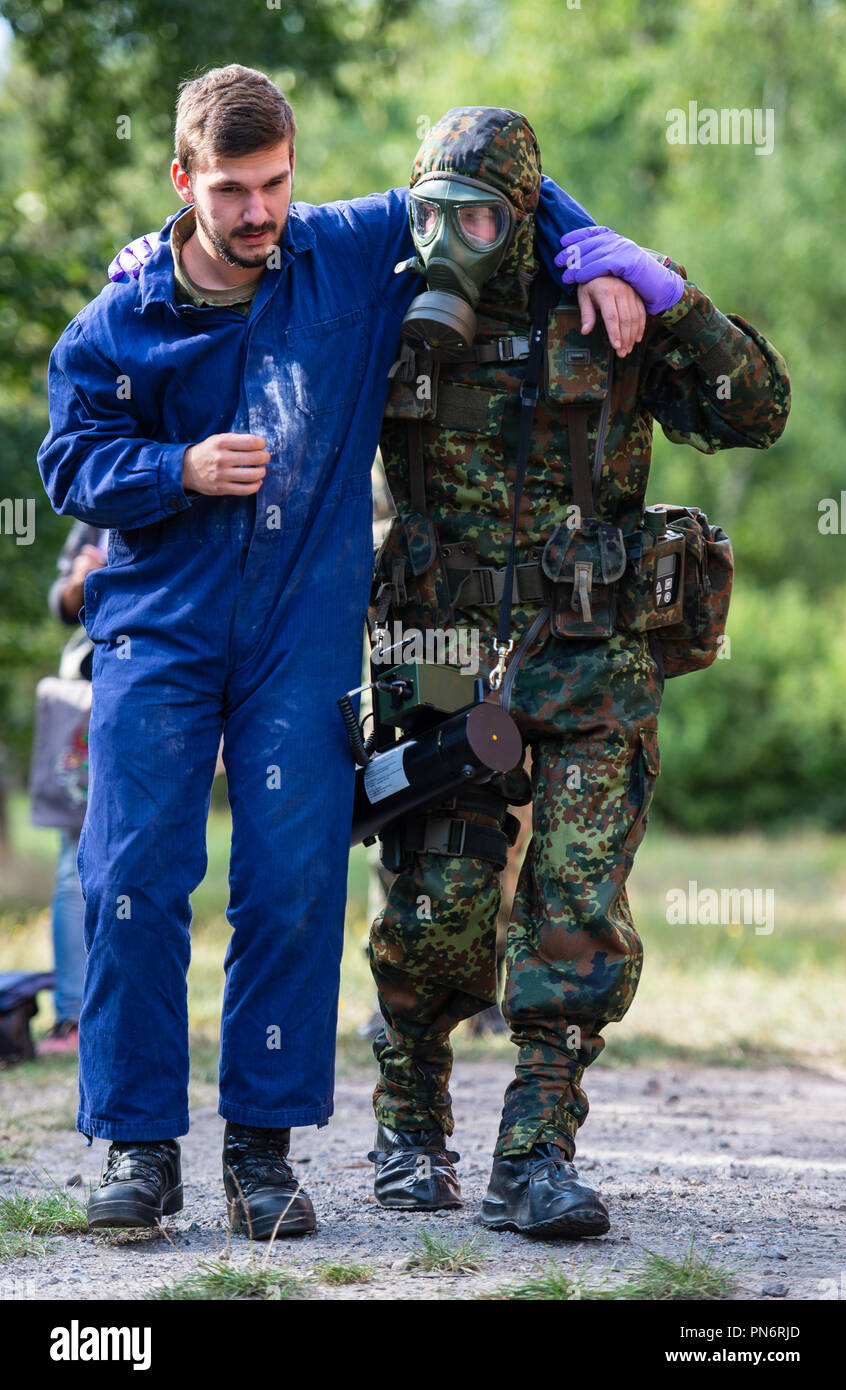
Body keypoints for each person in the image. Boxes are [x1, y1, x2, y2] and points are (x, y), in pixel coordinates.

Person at [37, 67, 628, 1238]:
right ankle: (140, 1149)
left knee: (292, 888)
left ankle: (261, 1156)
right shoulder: (122, 317)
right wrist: (175, 470)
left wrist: (597, 246)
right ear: (182, 182)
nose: (259, 212)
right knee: (130, 887)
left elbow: (484, 178)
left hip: (295, 645)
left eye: (274, 184)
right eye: (232, 190)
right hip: (157, 633)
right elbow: (69, 459)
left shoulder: (347, 251)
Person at [365, 107, 791, 1237]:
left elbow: (757, 412)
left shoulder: (602, 300)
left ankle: (535, 1152)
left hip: (589, 654)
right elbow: (244, 311)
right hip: (437, 654)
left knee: (573, 912)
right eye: (435, 210)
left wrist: (672, 298)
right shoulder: (380, 300)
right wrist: (161, 261)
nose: (455, 232)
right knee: (438, 909)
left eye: (482, 212)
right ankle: (409, 1128)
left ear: (522, 215)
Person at [38, 523, 107, 1055]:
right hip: (88, 693)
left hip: (169, 681)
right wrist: (84, 582)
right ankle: (73, 1017)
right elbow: (61, 603)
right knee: (73, 864)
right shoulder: (98, 498)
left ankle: (126, 1013)